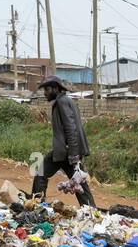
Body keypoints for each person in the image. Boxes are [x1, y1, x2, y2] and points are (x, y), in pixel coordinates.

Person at [32, 75, 95, 209]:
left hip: (66, 151)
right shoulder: (66, 101)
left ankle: (35, 206)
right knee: (80, 182)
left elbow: (70, 128)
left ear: (55, 88)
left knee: (41, 173)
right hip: (70, 150)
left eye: (47, 89)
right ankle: (91, 211)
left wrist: (73, 154)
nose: (45, 93)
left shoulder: (62, 102)